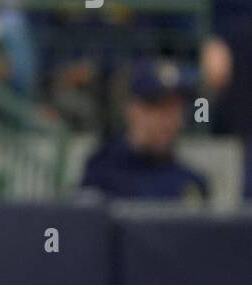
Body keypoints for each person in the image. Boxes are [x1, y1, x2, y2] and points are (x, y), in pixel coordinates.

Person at [81, 61, 208, 203]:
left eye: (175, 110)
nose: (169, 121)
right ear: (134, 110)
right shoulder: (102, 171)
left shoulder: (190, 182)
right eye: (160, 109)